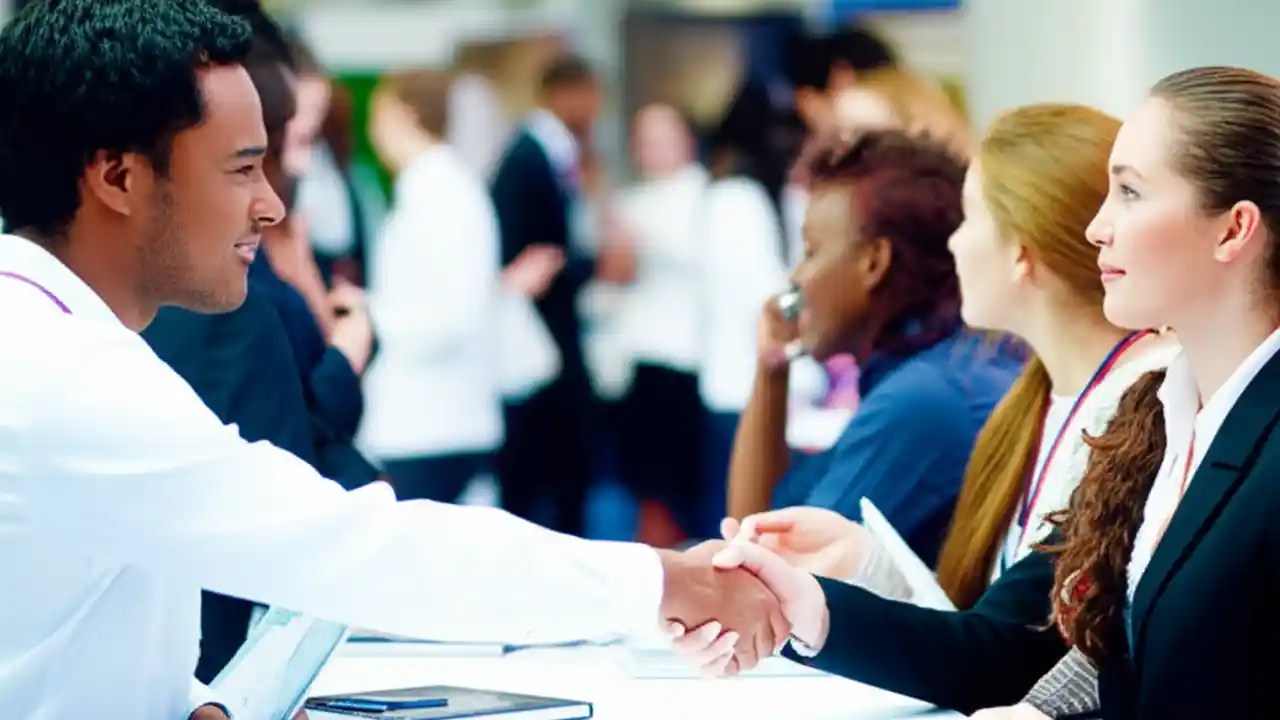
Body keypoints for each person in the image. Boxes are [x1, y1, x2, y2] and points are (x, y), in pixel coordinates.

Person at [0, 2, 787, 718]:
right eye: (242, 168)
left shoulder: (51, 342)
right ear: (117, 176)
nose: (271, 204)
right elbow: (357, 552)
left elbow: (73, 617)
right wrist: (660, 582)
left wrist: (193, 704)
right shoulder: (64, 375)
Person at [673, 103, 1181, 715]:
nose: (954, 244)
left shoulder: (1134, 411)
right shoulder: (1039, 398)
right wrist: (865, 561)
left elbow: (998, 654)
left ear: (1021, 252)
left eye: (968, 220)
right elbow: (995, 632)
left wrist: (804, 599)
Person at [977, 65, 1280, 720]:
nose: (1097, 228)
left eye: (1131, 194)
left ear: (1233, 229)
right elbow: (1138, 652)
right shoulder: (1165, 411)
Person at [726, 129, 1021, 567]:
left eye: (811, 251)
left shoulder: (922, 401)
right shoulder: (944, 366)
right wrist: (772, 369)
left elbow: (764, 572)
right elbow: (761, 524)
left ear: (874, 263)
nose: (795, 280)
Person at [490, 54, 632, 536]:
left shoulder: (557, 154)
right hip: (539, 335)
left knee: (567, 464)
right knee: (550, 468)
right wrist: (592, 265)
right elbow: (529, 253)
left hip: (554, 331)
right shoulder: (529, 157)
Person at [356, 69, 504, 504]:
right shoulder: (431, 188)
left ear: (405, 114)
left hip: (434, 422)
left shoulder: (444, 193)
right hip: (430, 418)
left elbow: (453, 313)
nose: (373, 131)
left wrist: (369, 320)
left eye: (378, 116)